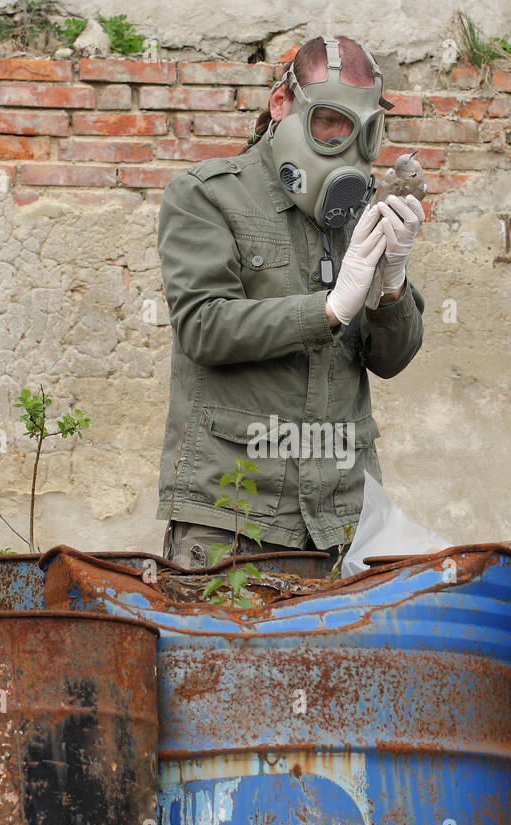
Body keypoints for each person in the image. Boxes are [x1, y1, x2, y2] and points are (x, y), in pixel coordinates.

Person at [155, 34, 426, 569]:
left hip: (344, 522)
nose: (346, 148)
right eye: (330, 123)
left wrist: (390, 288)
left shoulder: (360, 214)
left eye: (363, 131)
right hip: (232, 517)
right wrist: (328, 309)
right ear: (282, 104)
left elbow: (391, 361)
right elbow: (203, 327)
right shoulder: (207, 195)